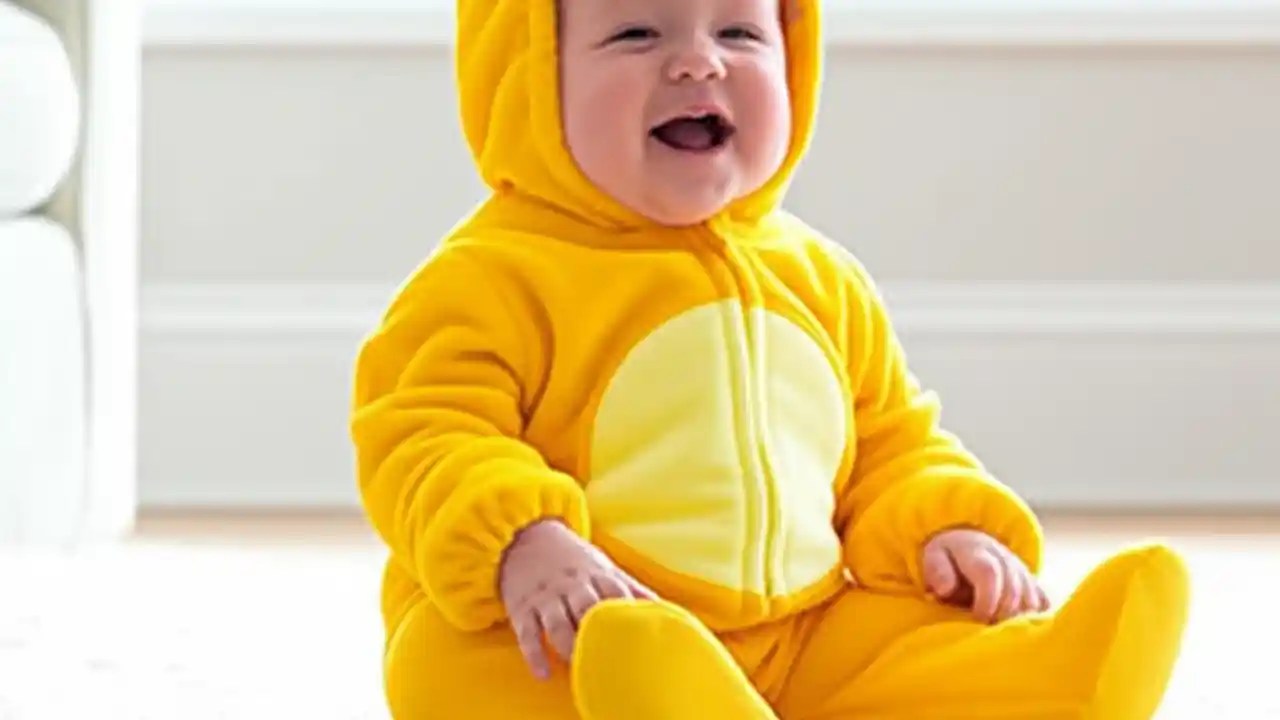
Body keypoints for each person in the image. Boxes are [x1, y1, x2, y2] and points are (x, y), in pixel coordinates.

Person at [349, 0, 1190, 717]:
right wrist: (524, 539)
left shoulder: (820, 279)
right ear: (529, 73)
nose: (696, 63)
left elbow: (889, 441)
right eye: (638, 33)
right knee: (484, 667)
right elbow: (424, 433)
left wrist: (948, 524)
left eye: (742, 34)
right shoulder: (493, 279)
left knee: (903, 643)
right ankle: (668, 689)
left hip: (802, 630)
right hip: (582, 622)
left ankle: (1054, 681)